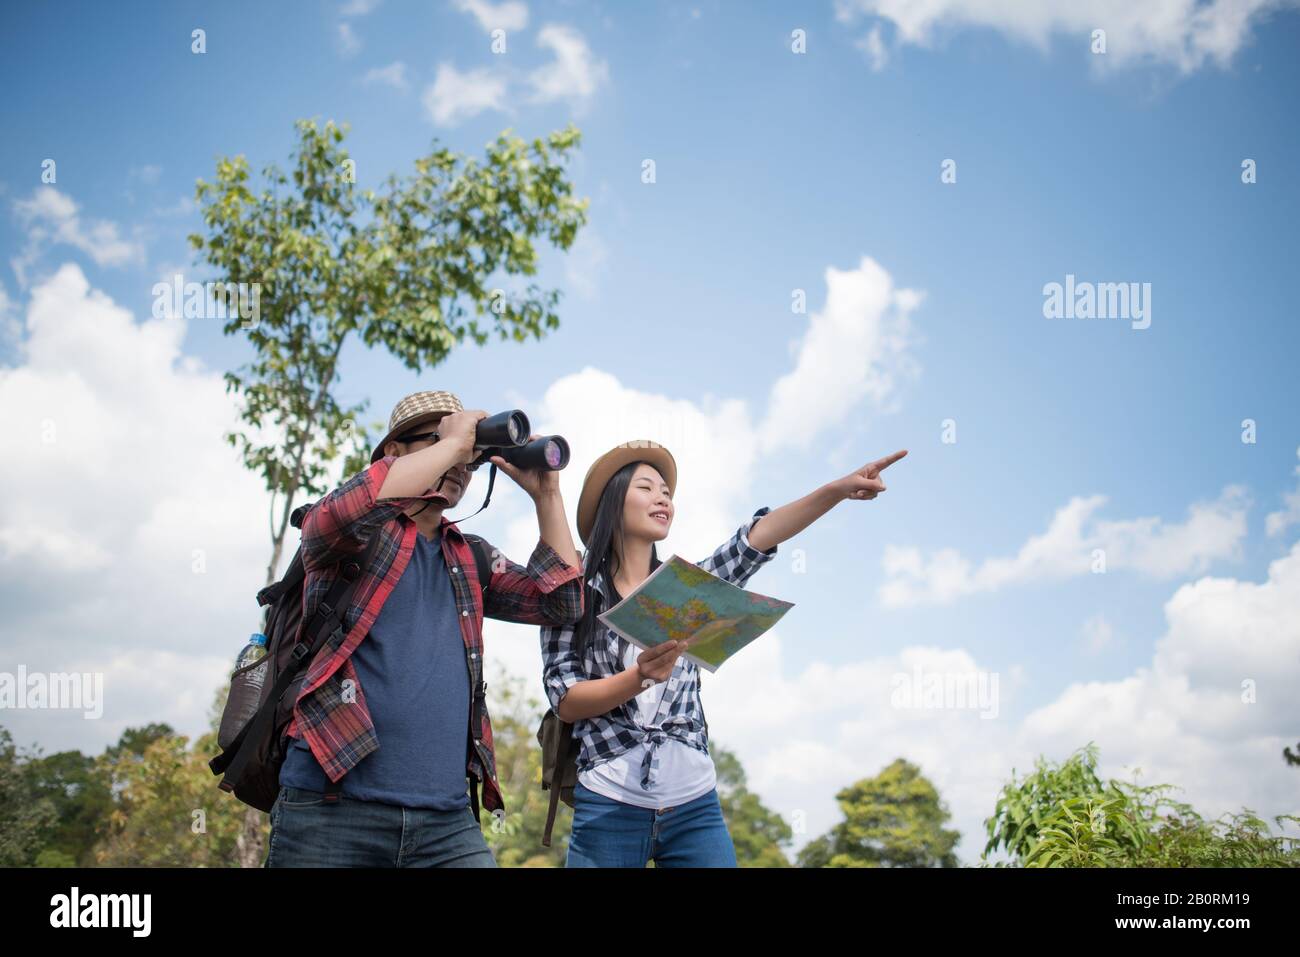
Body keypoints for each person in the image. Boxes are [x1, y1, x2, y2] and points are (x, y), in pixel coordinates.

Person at [541, 439, 907, 867]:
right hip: (607, 803)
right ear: (611, 502)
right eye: (646, 487)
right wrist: (638, 676)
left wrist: (837, 490)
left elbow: (753, 541)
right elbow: (565, 699)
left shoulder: (687, 593)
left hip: (693, 805)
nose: (663, 497)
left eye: (666, 490)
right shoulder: (574, 595)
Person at [265, 390, 584, 867]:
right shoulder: (352, 536)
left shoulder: (470, 556)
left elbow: (562, 602)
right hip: (331, 807)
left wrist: (547, 494)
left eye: (470, 455)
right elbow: (343, 512)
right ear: (394, 452)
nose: (460, 462)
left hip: (446, 821)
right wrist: (454, 444)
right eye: (437, 440)